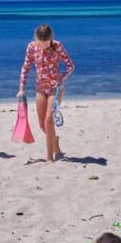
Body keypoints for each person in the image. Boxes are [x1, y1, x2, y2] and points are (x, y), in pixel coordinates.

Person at [17, 24, 76, 162]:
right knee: (42, 125)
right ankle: (54, 140)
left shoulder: (57, 46)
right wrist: (21, 89)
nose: (43, 47)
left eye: (46, 44)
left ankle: (50, 157)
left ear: (51, 39)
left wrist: (61, 78)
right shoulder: (31, 47)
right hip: (40, 89)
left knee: (49, 120)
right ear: (35, 39)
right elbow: (25, 68)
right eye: (40, 44)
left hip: (55, 89)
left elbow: (70, 66)